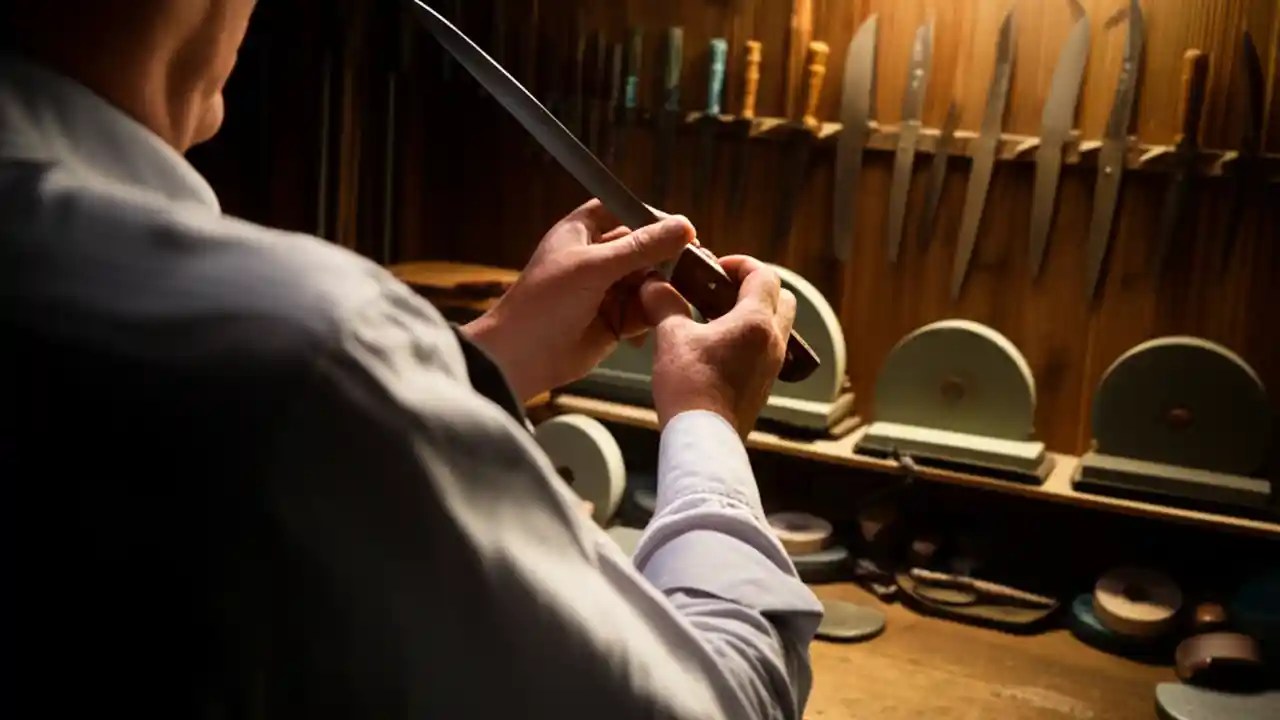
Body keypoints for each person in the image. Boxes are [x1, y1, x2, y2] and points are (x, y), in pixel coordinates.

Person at [1, 2, 823, 718]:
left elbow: (227, 450)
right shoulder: (313, 347)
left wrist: (494, 350)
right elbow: (726, 704)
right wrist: (709, 420)